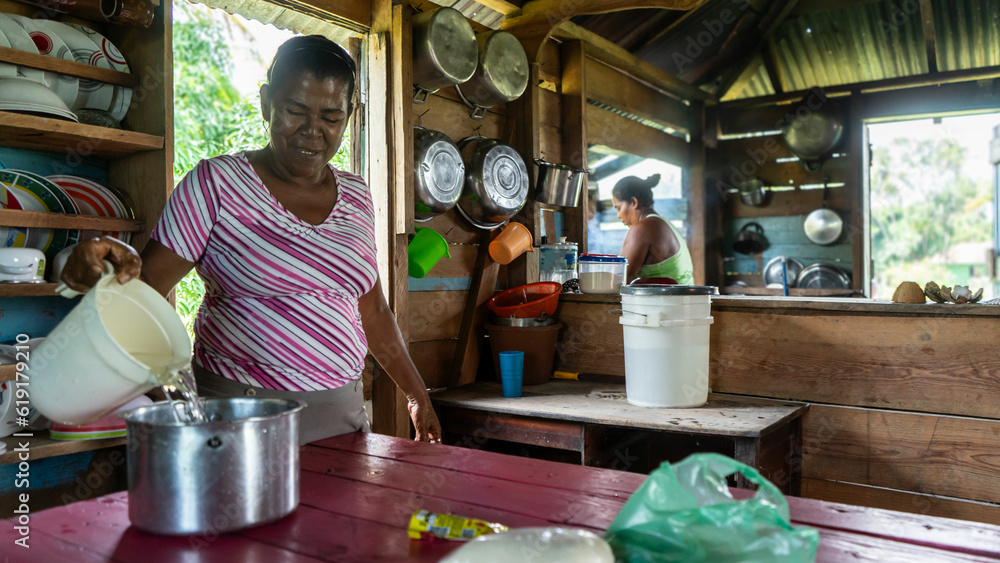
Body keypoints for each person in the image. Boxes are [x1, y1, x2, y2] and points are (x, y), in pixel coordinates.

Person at [60, 35, 442, 445]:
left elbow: (375, 311)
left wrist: (417, 396)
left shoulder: (357, 196)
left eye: (331, 117)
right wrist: (93, 267)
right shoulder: (216, 185)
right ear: (266, 103)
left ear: (348, 118)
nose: (313, 131)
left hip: (341, 417)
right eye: (295, 110)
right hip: (239, 414)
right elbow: (141, 292)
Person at [612, 174, 694, 284]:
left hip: (668, 301)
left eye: (619, 208)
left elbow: (619, 280)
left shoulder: (643, 228)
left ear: (634, 202)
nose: (618, 215)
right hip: (681, 300)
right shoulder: (664, 224)